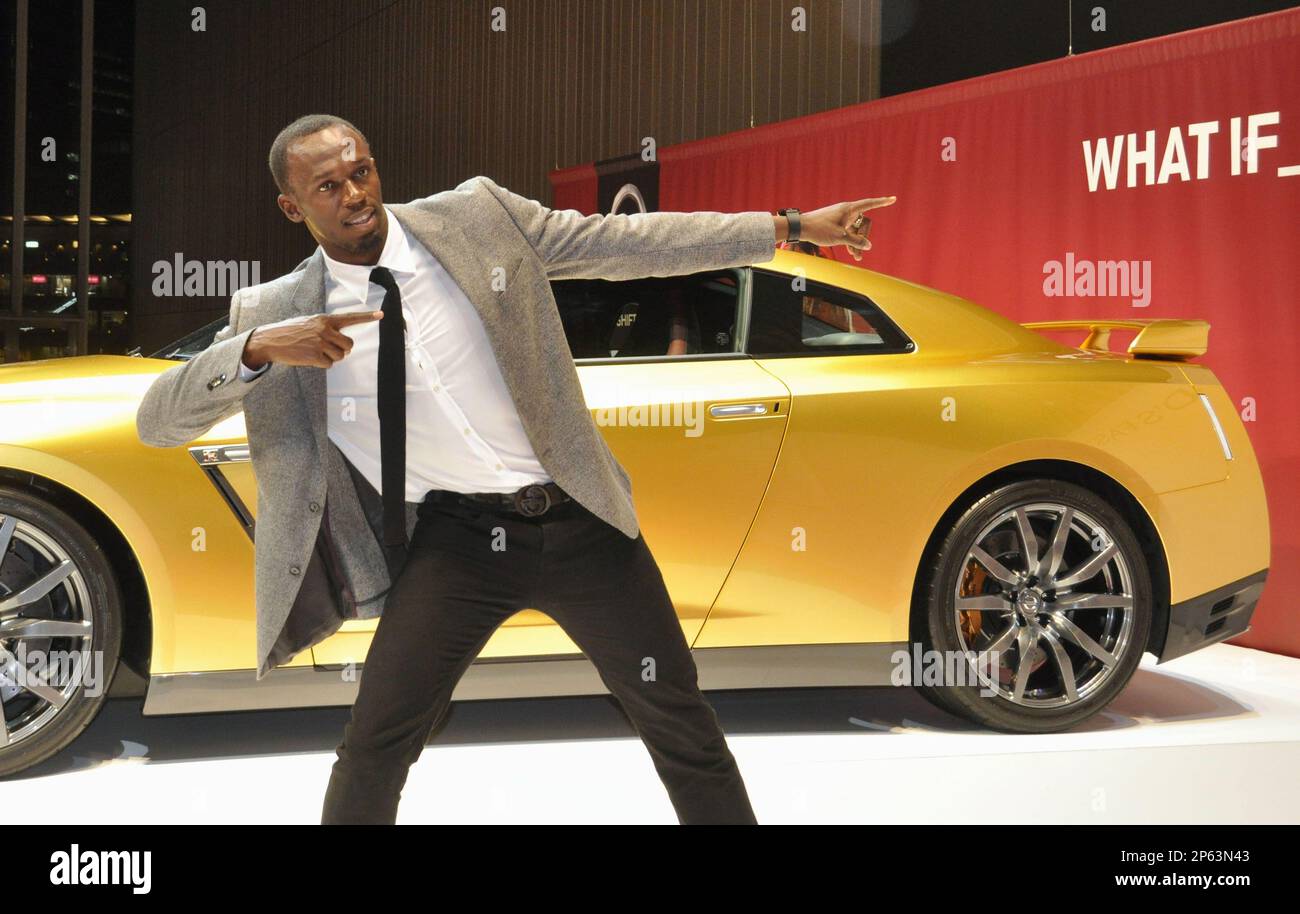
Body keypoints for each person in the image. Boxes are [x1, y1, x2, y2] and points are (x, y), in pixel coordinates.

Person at [137, 112, 895, 824]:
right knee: (375, 742)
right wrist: (258, 349)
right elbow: (157, 422)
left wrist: (791, 226)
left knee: (679, 721)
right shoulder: (277, 311)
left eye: (361, 171)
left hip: (582, 523)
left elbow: (632, 242)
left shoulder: (476, 218)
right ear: (291, 206)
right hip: (456, 541)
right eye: (328, 186)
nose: (355, 194)